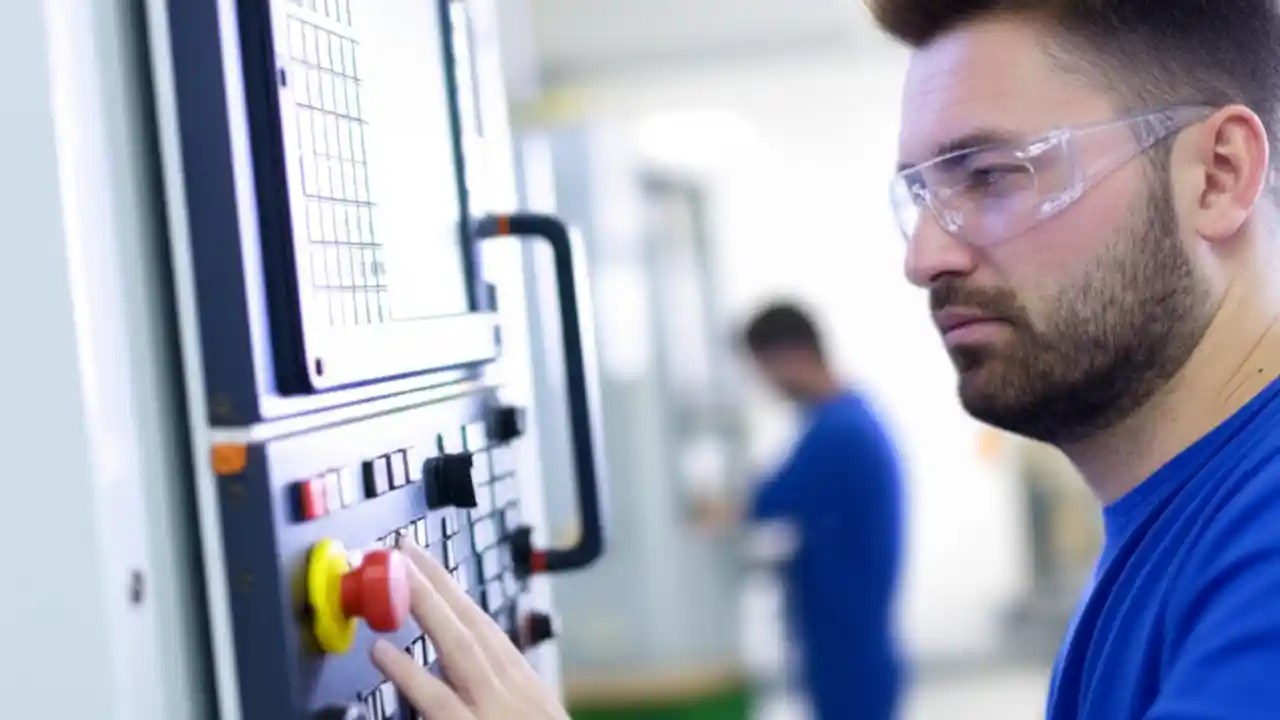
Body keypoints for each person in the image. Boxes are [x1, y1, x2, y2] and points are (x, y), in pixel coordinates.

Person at [373, 0, 1280, 716]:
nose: (925, 256)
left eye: (993, 175)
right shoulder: (1181, 524)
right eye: (920, 196)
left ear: (1219, 174)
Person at [736, 301, 904, 720]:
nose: (767, 385)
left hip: (847, 640)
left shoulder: (838, 430)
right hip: (848, 637)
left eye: (764, 369)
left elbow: (764, 501)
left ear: (791, 357)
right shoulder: (846, 419)